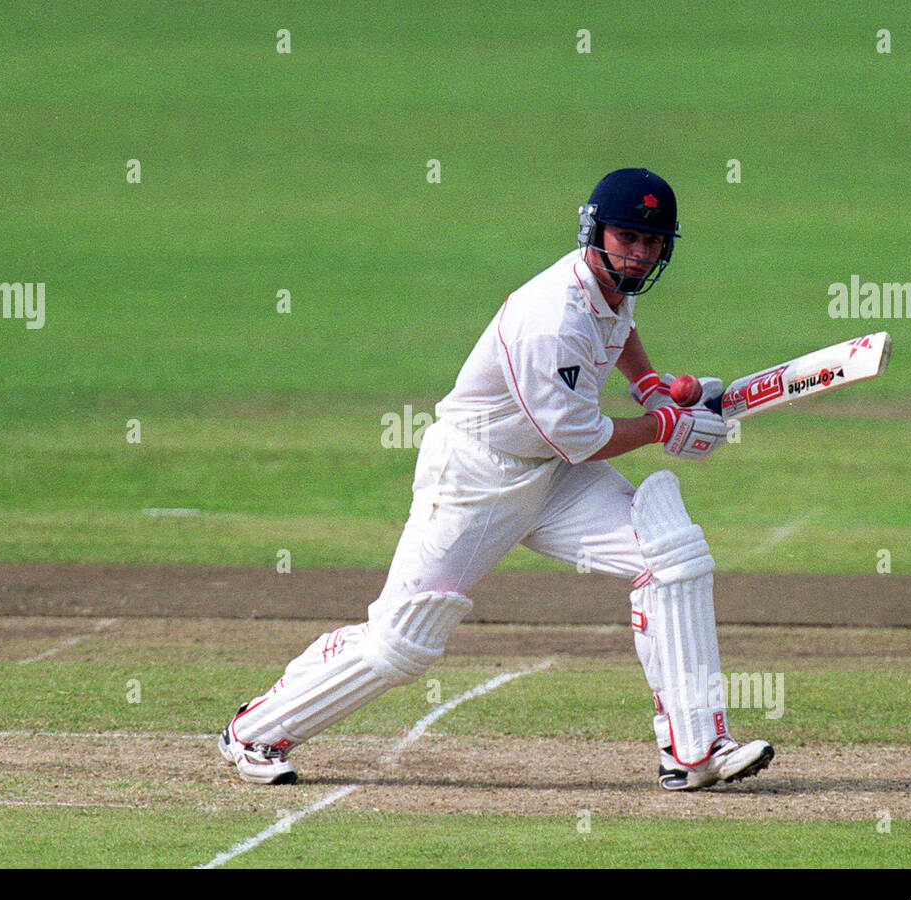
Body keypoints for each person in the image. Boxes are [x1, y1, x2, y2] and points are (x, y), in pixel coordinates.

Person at [219, 168, 773, 791]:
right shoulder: (549, 318)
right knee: (403, 644)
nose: (640, 254)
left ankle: (696, 749)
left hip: (553, 476)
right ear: (596, 233)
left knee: (673, 556)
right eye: (628, 238)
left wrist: (647, 383)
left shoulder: (612, 284)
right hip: (477, 477)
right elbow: (582, 439)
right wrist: (664, 424)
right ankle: (255, 731)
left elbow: (618, 330)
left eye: (653, 242)